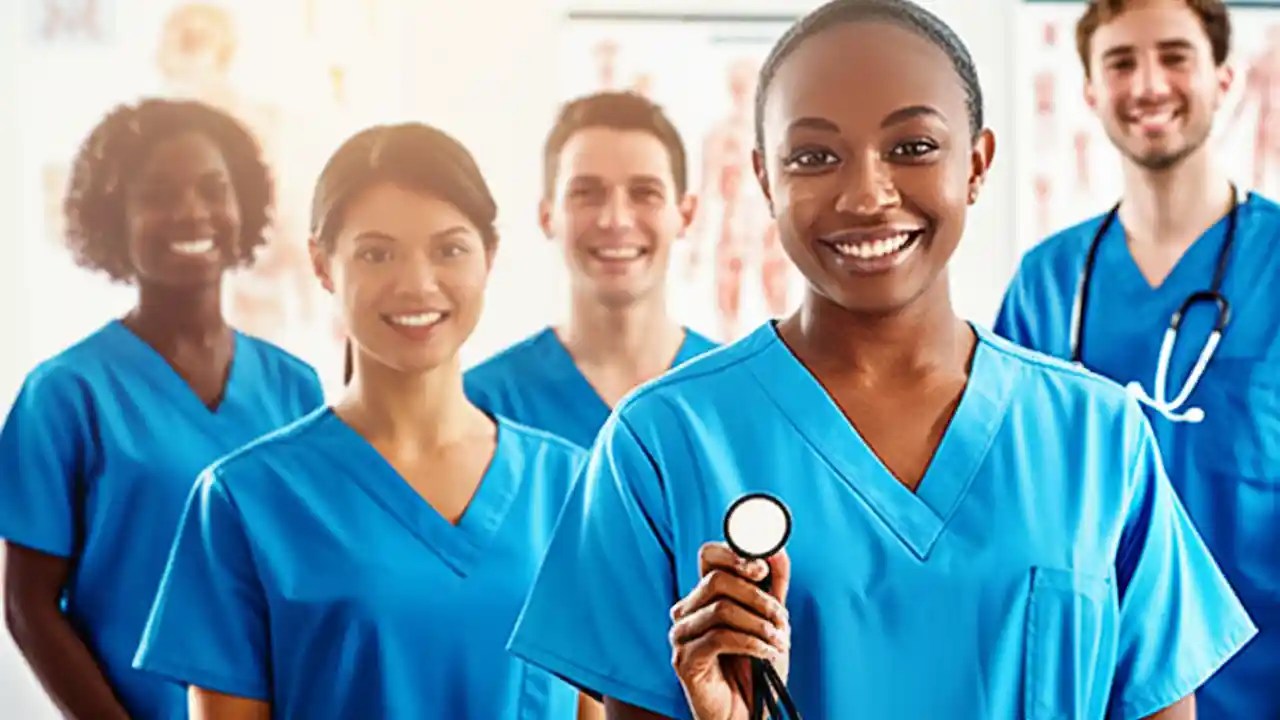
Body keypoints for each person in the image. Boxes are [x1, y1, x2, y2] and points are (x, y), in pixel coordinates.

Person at [505, 1, 1257, 718]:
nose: (867, 194)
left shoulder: (1099, 438)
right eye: (814, 155)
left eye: (913, 147)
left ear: (978, 162)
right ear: (766, 178)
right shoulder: (662, 445)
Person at [132, 123, 593, 720]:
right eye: (376, 254)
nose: (416, 284)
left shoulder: (568, 487)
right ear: (324, 264)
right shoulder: (244, 500)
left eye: (450, 249)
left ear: (490, 258)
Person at [993, 1, 1279, 717]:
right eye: (1121, 62)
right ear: (1090, 91)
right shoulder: (1047, 284)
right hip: (1093, 687)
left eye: (1175, 56)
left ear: (1223, 77)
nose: (1148, 84)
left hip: (1258, 685)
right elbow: (1006, 498)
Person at [0, 98, 324, 720]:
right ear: (113, 217)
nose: (191, 213)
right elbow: (27, 607)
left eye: (212, 189)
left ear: (243, 204)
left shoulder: (295, 388)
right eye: (158, 194)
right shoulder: (67, 394)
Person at [464, 92, 717, 450]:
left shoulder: (738, 393)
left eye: (645, 193)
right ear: (547, 215)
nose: (615, 220)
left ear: (686, 214)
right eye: (586, 193)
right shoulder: (482, 407)